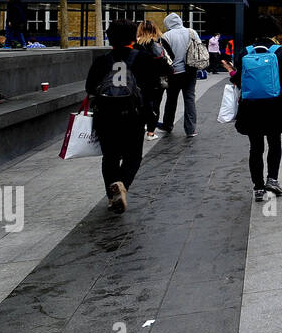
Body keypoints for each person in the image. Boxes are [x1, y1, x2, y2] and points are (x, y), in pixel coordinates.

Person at [85, 20, 160, 215]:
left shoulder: (102, 61)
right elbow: (153, 86)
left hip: (105, 116)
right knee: (132, 156)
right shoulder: (143, 58)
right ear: (133, 38)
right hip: (134, 116)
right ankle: (122, 184)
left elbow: (90, 87)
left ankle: (112, 196)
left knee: (110, 157)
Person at [232, 13, 282, 202]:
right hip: (274, 106)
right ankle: (272, 180)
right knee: (274, 143)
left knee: (255, 147)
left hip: (251, 107)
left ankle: (258, 187)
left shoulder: (245, 52)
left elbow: (238, 79)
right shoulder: (281, 51)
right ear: (274, 31)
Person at [155, 12, 198, 138]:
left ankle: (168, 125)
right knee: (189, 99)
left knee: (171, 99)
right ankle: (191, 129)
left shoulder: (166, 36)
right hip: (191, 71)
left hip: (174, 73)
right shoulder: (192, 32)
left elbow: (163, 57)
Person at [136, 19, 171, 141]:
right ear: (155, 29)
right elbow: (171, 58)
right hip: (157, 80)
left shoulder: (136, 44)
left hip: (139, 80)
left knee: (140, 104)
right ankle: (151, 132)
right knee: (155, 105)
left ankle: (140, 127)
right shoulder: (160, 42)